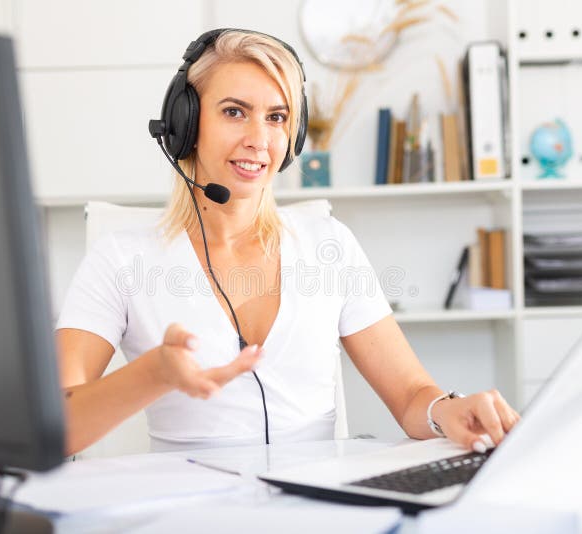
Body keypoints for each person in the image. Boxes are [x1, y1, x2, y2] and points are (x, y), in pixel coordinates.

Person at [56, 28, 520, 457]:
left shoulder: (329, 245)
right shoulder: (122, 258)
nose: (259, 139)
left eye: (277, 117)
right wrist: (152, 374)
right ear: (186, 124)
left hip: (315, 500)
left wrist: (446, 411)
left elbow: (411, 395)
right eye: (234, 112)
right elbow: (56, 428)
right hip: (189, 503)